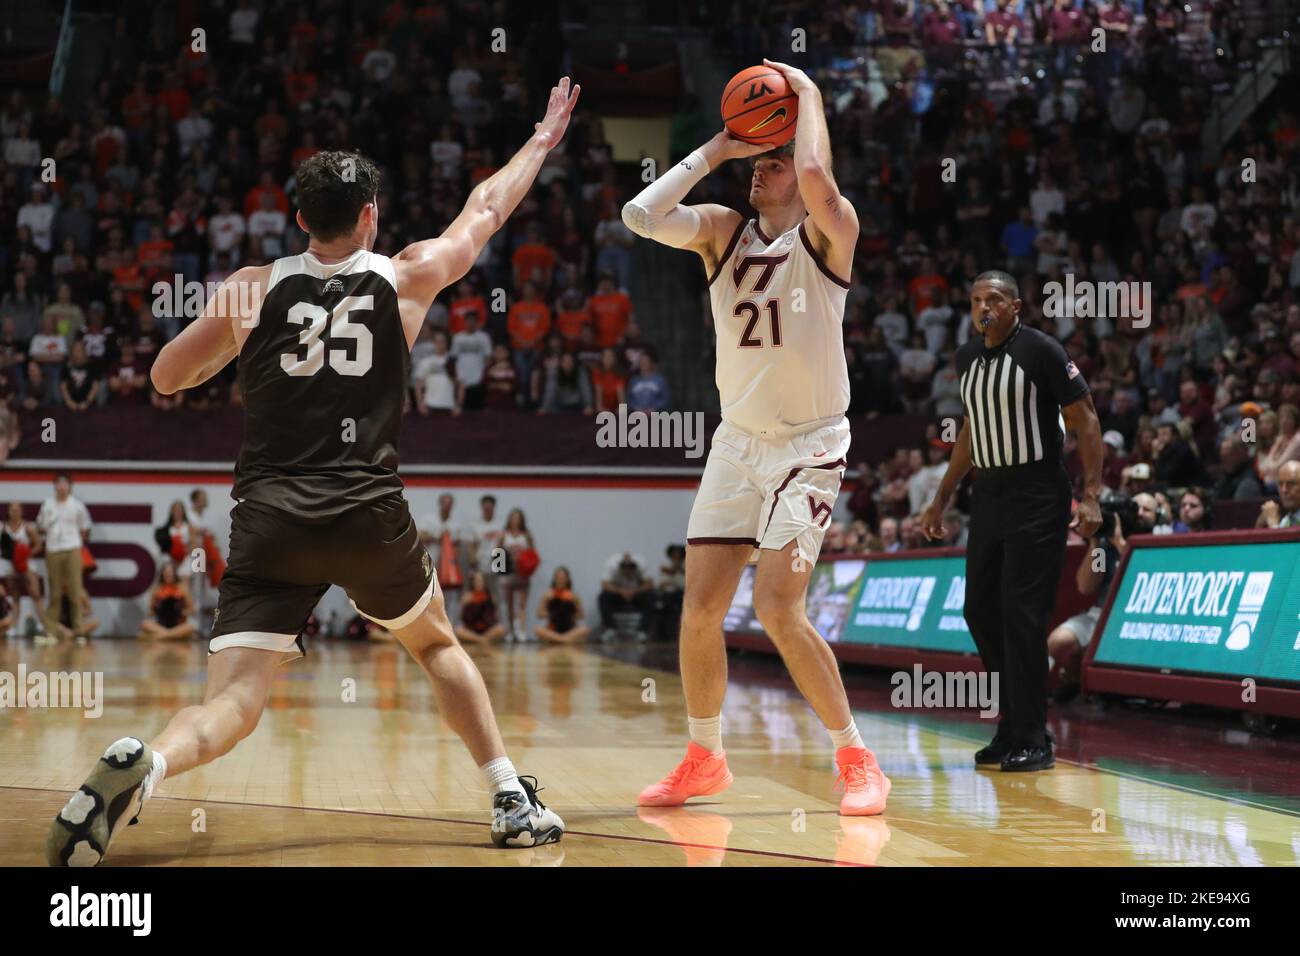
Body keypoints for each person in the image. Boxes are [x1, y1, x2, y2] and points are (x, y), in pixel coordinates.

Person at [48, 78, 580, 867]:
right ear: (370, 214)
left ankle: (151, 766)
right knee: (435, 646)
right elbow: (485, 210)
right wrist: (539, 142)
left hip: (269, 518)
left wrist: (233, 340)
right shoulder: (408, 275)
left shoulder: (252, 289)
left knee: (233, 699)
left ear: (297, 218)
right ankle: (507, 792)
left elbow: (163, 378)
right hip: (367, 510)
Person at [621, 58, 889, 815]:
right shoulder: (722, 234)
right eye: (757, 162)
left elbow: (816, 173)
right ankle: (704, 756)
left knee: (778, 608)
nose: (758, 174)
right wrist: (718, 149)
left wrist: (806, 95)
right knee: (699, 609)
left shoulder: (831, 231)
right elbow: (639, 216)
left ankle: (857, 758)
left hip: (810, 447)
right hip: (737, 446)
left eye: (769, 164)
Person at [920, 270, 1104, 772]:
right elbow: (971, 429)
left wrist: (1091, 494)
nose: (985, 307)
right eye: (977, 299)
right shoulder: (965, 358)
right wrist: (942, 494)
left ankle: (1033, 739)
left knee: (1022, 615)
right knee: (979, 609)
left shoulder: (1041, 350)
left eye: (995, 300)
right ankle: (1015, 724)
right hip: (991, 492)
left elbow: (1085, 417)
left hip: (1039, 491)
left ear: (1016, 307)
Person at [1047, 503, 1127, 703]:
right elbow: (1087, 586)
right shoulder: (1103, 550)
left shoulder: (1150, 539)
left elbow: (1139, 572)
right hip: (1101, 614)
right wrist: (1095, 543)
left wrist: (1120, 542)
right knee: (1058, 641)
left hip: (1129, 618)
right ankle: (1071, 683)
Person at [36, 473, 91, 643]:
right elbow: (40, 526)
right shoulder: (47, 505)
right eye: (58, 483)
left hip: (73, 549)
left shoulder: (77, 506)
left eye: (65, 483)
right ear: (54, 486)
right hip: (53, 549)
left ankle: (79, 630)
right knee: (55, 592)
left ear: (70, 486)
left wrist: (77, 545)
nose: (61, 487)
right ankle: (51, 631)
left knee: (75, 591)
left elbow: (84, 528)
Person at [1, 500, 47, 636]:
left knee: (35, 594)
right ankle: (14, 627)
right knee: (15, 597)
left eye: (17, 509)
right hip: (10, 566)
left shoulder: (27, 527)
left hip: (26, 565)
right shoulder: (3, 528)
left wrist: (26, 554)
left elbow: (39, 544)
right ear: (8, 511)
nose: (15, 512)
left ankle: (42, 624)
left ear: (22, 511)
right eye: (12, 509)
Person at [597, 551, 655, 640]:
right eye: (625, 568)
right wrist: (621, 591)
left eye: (630, 569)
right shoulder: (611, 565)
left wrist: (634, 591)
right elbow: (605, 584)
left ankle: (643, 631)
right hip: (618, 595)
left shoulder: (642, 564)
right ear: (620, 568)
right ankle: (610, 629)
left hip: (636, 594)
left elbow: (649, 584)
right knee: (603, 596)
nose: (627, 571)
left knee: (650, 595)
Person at [499, 508, 535, 642]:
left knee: (521, 603)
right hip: (508, 573)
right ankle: (509, 631)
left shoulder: (526, 535)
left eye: (518, 518)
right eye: (513, 517)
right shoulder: (504, 535)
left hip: (522, 573)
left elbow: (533, 554)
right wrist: (501, 572)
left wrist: (528, 567)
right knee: (507, 603)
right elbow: (497, 552)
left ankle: (521, 630)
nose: (515, 520)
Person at [137, 562, 196, 641]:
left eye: (170, 573)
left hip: (178, 624)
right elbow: (151, 611)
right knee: (145, 624)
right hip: (161, 624)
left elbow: (192, 610)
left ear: (175, 574)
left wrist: (181, 612)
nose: (168, 575)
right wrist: (157, 610)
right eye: (166, 573)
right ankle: (172, 635)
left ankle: (160, 636)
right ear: (163, 574)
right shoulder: (157, 589)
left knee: (190, 627)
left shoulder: (182, 588)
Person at [535, 567, 589, 644]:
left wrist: (574, 604)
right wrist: (552, 613)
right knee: (538, 629)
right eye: (558, 577)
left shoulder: (574, 596)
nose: (560, 580)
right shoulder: (547, 595)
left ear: (567, 579)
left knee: (584, 629)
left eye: (563, 577)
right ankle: (565, 640)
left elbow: (581, 616)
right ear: (554, 579)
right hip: (553, 629)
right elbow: (539, 614)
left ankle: (558, 640)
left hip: (570, 629)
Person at [456, 572, 506, 644]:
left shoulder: (490, 597)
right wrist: (463, 604)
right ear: (473, 583)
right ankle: (481, 640)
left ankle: (479, 640)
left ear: (484, 583)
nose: (479, 583)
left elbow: (494, 617)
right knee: (459, 631)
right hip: (472, 629)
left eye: (480, 581)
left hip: (486, 629)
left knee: (500, 629)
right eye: (476, 581)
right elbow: (463, 617)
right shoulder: (468, 597)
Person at [1257, 460, 1300, 528]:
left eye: (1291, 484)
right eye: (1280, 484)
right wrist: (1260, 525)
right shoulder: (1286, 521)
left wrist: (1273, 524)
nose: (1284, 490)